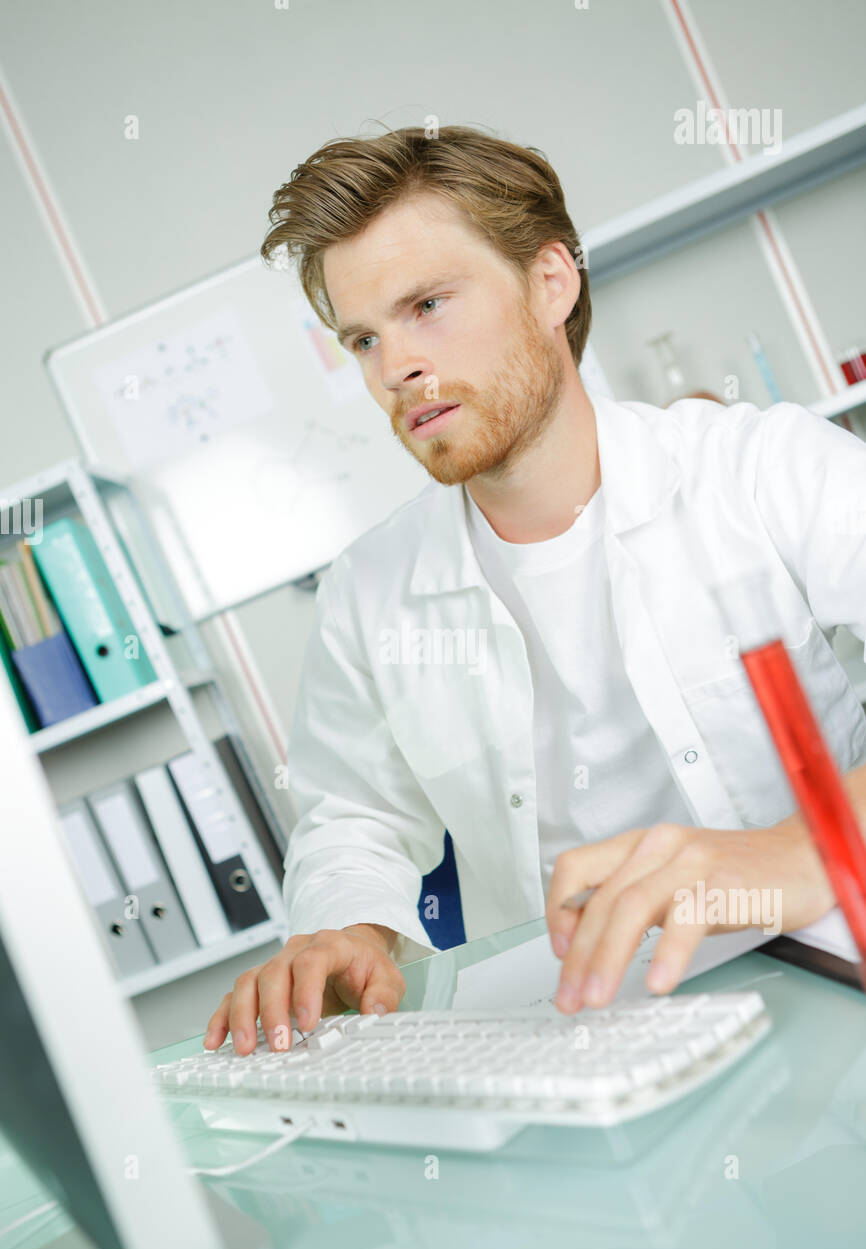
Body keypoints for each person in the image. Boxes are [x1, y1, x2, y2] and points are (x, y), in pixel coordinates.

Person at [205, 125, 866, 1056]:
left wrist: (797, 852)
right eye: (364, 337)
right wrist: (348, 930)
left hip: (834, 973)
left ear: (551, 282)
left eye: (427, 304)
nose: (395, 368)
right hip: (585, 1041)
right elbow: (353, 815)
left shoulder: (760, 468)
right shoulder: (369, 591)